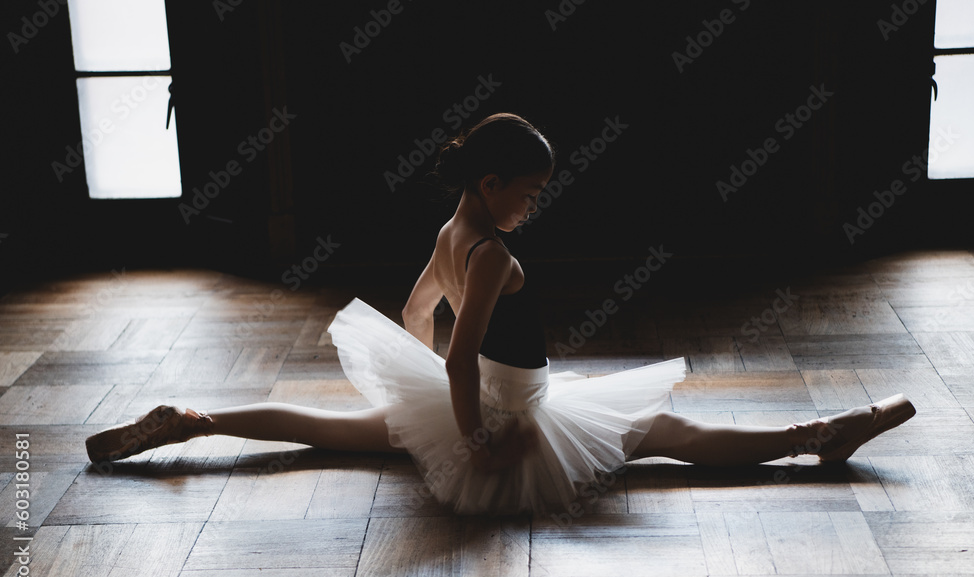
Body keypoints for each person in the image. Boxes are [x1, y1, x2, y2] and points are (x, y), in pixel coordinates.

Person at [85, 112, 916, 515]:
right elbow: (456, 353)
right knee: (677, 435)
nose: (531, 206)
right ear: (492, 186)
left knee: (320, 425)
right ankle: (816, 435)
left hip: (469, 401)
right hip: (514, 413)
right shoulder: (493, 256)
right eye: (527, 192)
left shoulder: (452, 230)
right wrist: (475, 433)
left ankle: (195, 419)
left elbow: (418, 311)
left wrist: (416, 403)